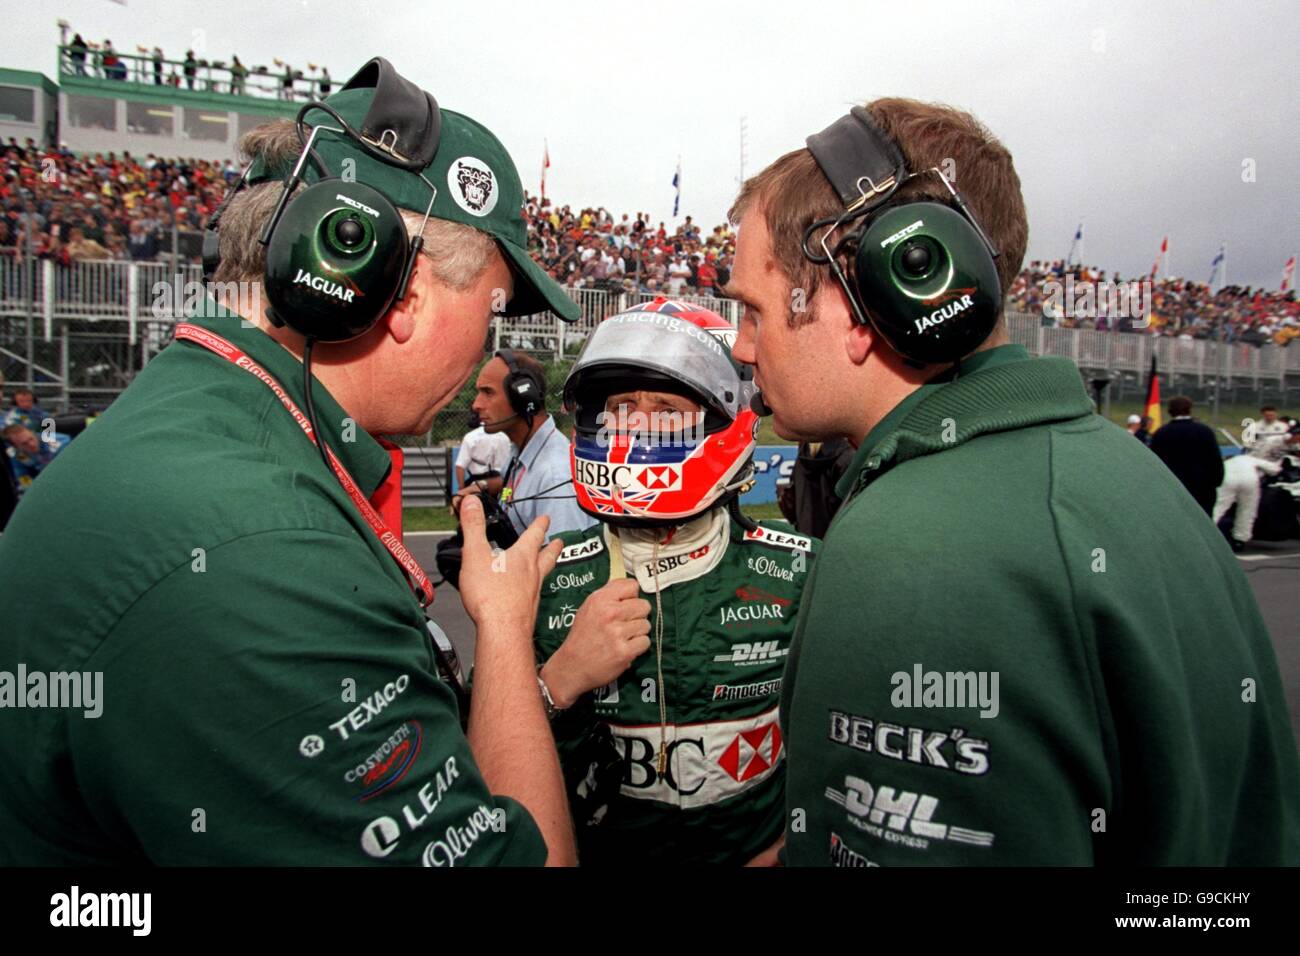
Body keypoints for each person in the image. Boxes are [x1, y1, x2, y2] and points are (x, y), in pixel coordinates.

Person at [0, 57, 584, 866]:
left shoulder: (199, 422)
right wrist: (510, 631)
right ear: (400, 288)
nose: (493, 342)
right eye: (493, 304)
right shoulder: (263, 557)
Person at [726, 97, 1300, 865]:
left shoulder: (911, 552)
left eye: (754, 312)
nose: (739, 346)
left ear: (866, 297)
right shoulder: (1135, 474)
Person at [533, 299, 818, 864]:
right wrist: (558, 682)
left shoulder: (802, 572)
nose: (636, 424)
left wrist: (790, 851)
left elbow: (849, 754)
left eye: (665, 407)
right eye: (620, 406)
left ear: (727, 419)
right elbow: (490, 780)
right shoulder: (544, 579)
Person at [454, 350, 595, 539]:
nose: (476, 405)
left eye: (488, 392)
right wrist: (481, 488)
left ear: (523, 398)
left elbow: (563, 565)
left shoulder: (555, 476)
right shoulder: (520, 449)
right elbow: (510, 487)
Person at [1150, 396, 1225, 515]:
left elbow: (1154, 463)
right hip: (1202, 490)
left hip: (1171, 490)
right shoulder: (1204, 431)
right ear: (1190, 409)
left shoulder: (1161, 433)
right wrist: (1216, 481)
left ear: (1170, 411)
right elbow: (1215, 460)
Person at [1213, 451, 1283, 552]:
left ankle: (1206, 532)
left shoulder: (1225, 463)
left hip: (1227, 479)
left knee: (1218, 508)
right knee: (1247, 510)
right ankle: (1239, 540)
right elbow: (1274, 469)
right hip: (1249, 480)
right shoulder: (1247, 458)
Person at [2, 424, 66, 497]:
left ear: (32, 433)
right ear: (16, 447)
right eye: (24, 444)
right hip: (47, 486)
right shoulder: (18, 455)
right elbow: (23, 478)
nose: (32, 444)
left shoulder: (55, 440)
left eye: (31, 438)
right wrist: (36, 492)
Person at [455, 414, 512, 489]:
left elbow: (460, 466)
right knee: (506, 498)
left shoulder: (470, 437)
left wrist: (461, 490)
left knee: (467, 498)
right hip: (503, 484)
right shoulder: (504, 437)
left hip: (478, 484)